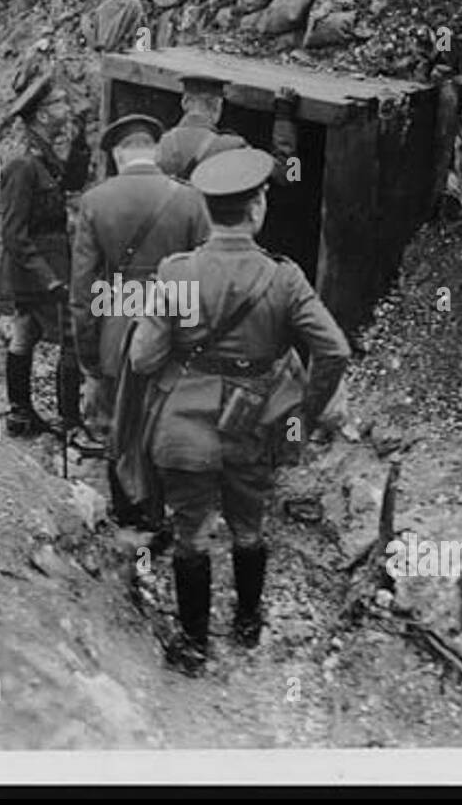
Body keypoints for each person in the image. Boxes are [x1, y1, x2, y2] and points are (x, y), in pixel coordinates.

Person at [129, 147, 350, 676]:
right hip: (255, 424)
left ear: (209, 211)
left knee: (191, 535)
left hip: (183, 426)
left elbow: (142, 358)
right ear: (256, 208)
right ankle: (248, 625)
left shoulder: (177, 272)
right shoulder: (284, 278)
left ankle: (194, 644)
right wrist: (304, 413)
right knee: (249, 529)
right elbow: (335, 350)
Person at [71, 114, 211, 529]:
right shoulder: (190, 199)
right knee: (166, 416)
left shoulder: (95, 202)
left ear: (117, 155)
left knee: (120, 419)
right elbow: (207, 275)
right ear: (154, 152)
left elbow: (83, 291)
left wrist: (88, 352)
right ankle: (166, 513)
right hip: (176, 320)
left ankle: (129, 514)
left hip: (118, 319)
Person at [0, 74, 90, 438]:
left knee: (25, 334)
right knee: (73, 338)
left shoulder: (43, 158)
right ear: (42, 115)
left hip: (40, 269)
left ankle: (20, 413)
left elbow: (72, 183)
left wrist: (80, 139)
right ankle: (70, 423)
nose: (66, 109)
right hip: (38, 272)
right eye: (60, 104)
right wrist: (48, 278)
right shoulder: (22, 167)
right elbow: (12, 234)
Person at [155, 75, 301, 186]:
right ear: (218, 105)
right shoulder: (232, 147)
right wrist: (284, 115)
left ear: (184, 101)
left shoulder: (157, 145)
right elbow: (288, 174)